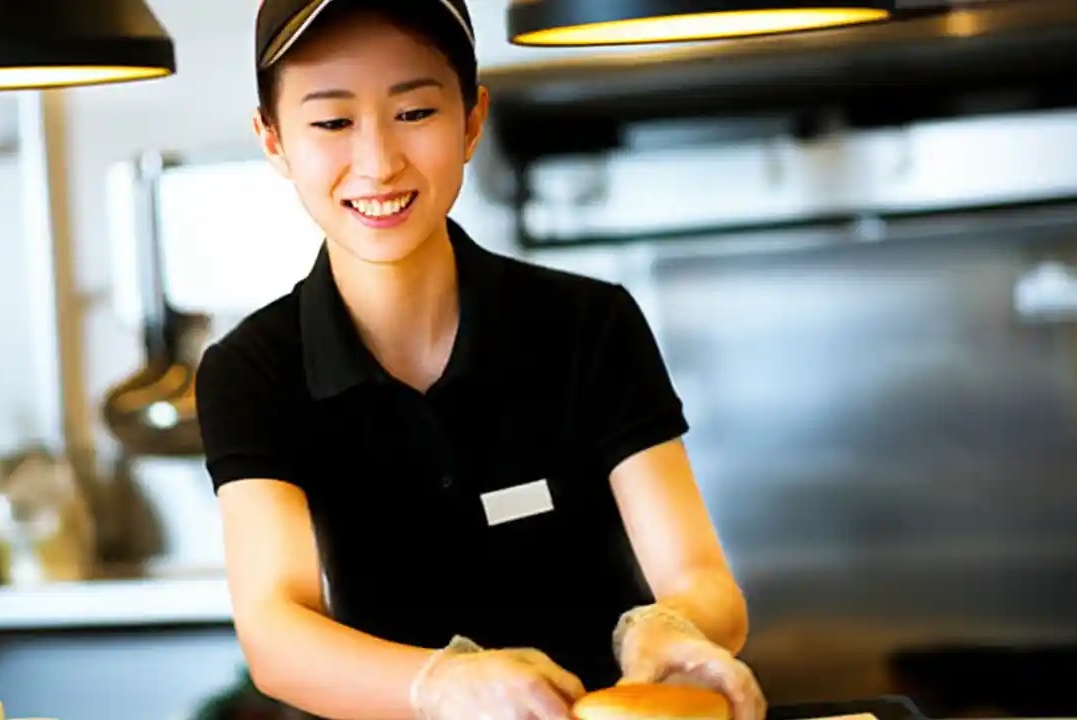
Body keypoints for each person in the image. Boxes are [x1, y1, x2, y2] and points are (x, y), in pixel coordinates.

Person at [195, 1, 768, 719]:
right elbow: (276, 634)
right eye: (332, 122)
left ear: (471, 121)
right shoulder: (253, 370)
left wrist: (672, 625)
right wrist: (442, 686)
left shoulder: (588, 323)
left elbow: (700, 577)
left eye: (414, 113)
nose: (377, 163)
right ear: (272, 140)